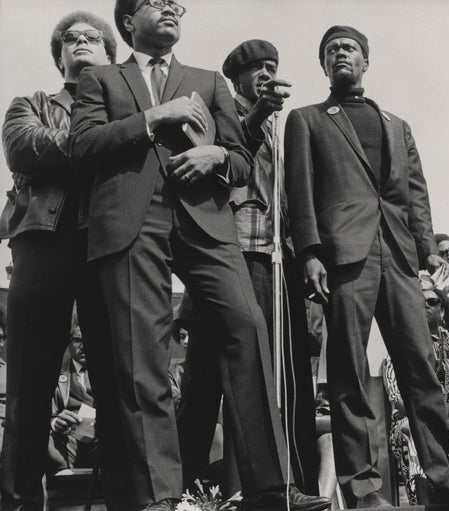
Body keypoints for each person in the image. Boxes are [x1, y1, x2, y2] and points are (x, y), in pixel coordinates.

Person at [67, 2, 329, 510]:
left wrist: (218, 156)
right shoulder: (100, 79)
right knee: (143, 354)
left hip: (206, 220)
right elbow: (83, 148)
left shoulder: (208, 81)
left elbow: (239, 157)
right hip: (129, 220)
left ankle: (270, 491)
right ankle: (161, 497)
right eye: (155, 1)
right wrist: (153, 117)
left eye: (174, 4)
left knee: (247, 328)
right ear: (127, 22)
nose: (168, 8)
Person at [284, 25, 449, 507]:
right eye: (331, 50)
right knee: (348, 371)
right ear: (323, 66)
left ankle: (446, 484)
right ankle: (364, 491)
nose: (341, 54)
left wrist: (431, 253)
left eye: (350, 49)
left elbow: (415, 198)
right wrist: (310, 253)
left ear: (366, 61)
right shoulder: (306, 119)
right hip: (344, 257)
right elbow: (299, 193)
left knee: (420, 368)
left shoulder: (398, 124)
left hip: (400, 255)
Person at [177, 38, 319, 496]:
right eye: (255, 67)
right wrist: (257, 113)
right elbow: (229, 148)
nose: (265, 72)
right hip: (230, 251)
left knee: (271, 375)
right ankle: (182, 487)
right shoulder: (222, 111)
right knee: (208, 382)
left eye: (272, 66)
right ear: (234, 76)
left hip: (276, 257)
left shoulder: (281, 127)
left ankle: (273, 484)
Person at [0, 12, 117, 510]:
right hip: (42, 243)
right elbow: (24, 148)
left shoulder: (125, 103)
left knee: (118, 378)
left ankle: (120, 495)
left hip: (109, 247)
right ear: (60, 54)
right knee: (29, 380)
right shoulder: (31, 103)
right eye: (71, 38)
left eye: (93, 37)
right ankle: (22, 499)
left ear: (112, 53)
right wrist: (106, 139)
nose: (82, 42)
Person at [382, 285, 449, 504]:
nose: (425, 305)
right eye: (420, 301)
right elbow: (395, 396)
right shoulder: (400, 347)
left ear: (443, 311)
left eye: (433, 302)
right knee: (413, 430)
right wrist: (428, 417)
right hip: (413, 419)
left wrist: (448, 411)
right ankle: (423, 501)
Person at [49, 324, 97, 471]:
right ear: (68, 341)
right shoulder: (53, 372)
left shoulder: (112, 370)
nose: (83, 345)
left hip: (103, 443)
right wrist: (56, 421)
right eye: (77, 340)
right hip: (65, 444)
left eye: (88, 339)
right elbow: (38, 415)